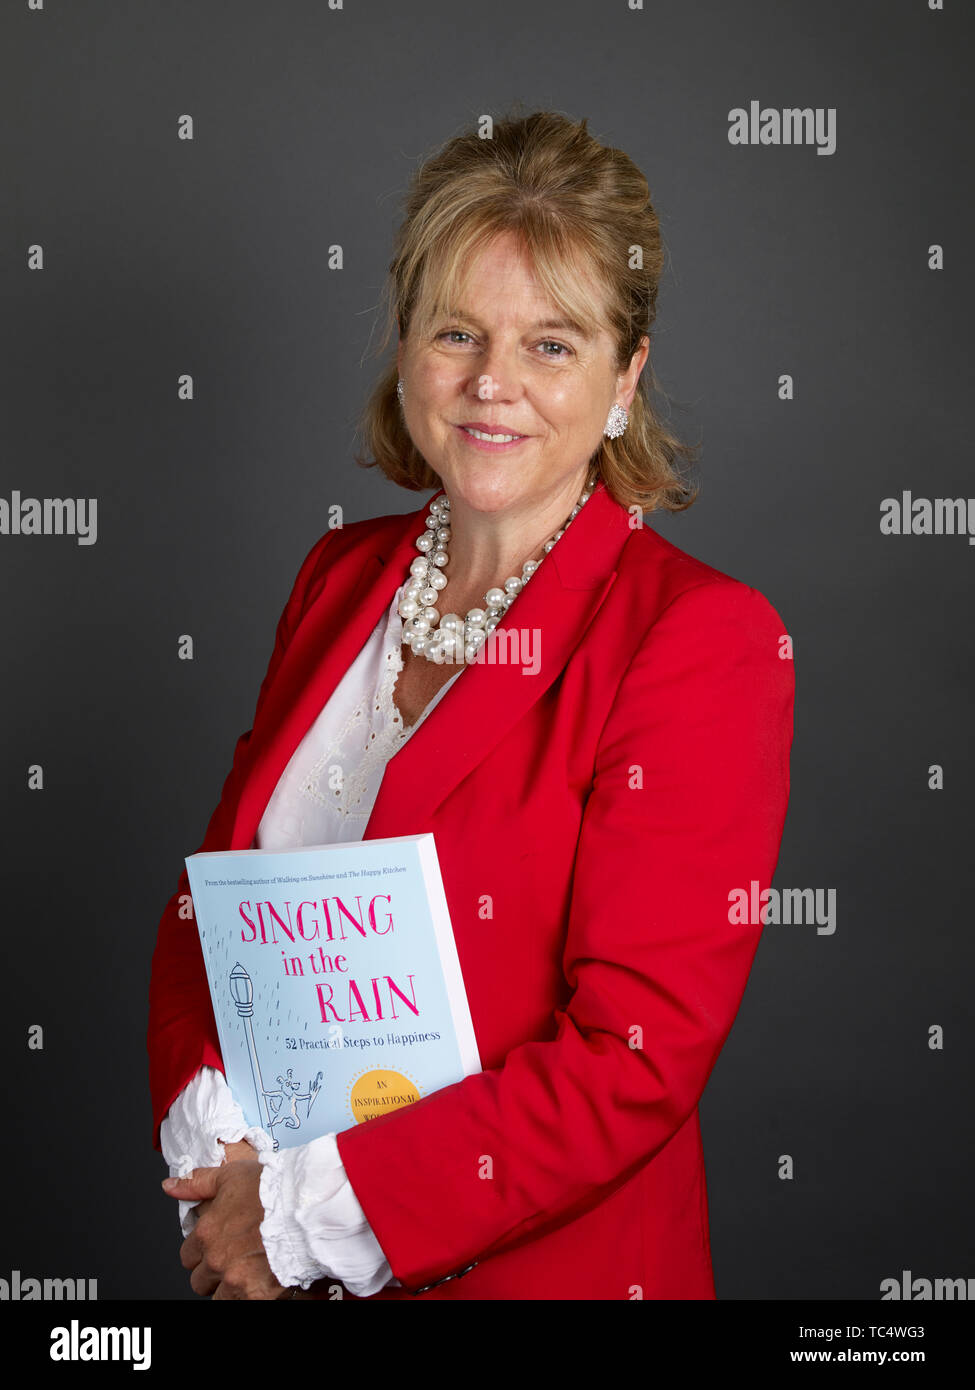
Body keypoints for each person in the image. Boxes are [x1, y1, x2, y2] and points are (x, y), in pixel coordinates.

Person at [148, 108, 794, 1301]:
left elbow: (632, 1060)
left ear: (625, 375)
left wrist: (299, 1226)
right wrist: (229, 1163)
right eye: (459, 332)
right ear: (408, 347)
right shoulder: (338, 577)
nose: (493, 384)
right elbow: (219, 907)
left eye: (552, 344)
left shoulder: (697, 637)